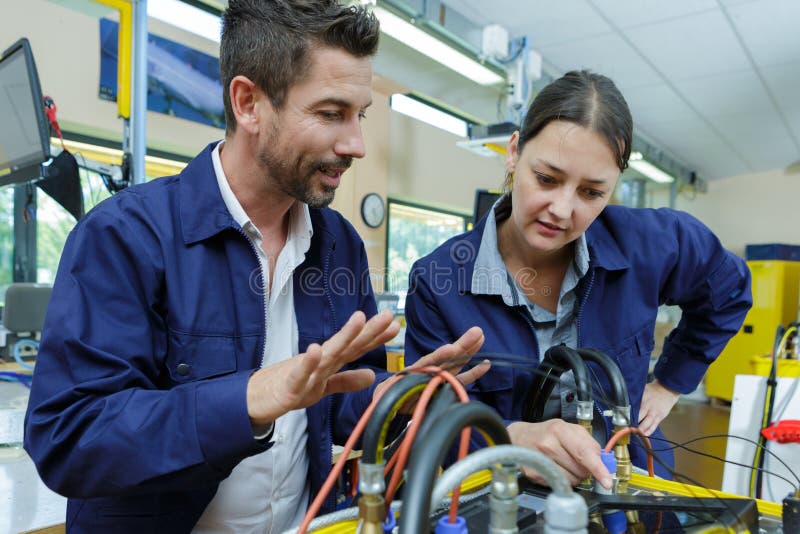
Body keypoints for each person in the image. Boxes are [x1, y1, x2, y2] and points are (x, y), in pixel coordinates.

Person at [23, 1, 486, 532]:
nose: (355, 144)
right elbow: (69, 437)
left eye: (360, 115)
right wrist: (248, 400)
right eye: (331, 113)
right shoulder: (124, 236)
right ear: (248, 103)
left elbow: (329, 402)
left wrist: (387, 399)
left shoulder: (339, 246)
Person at [404, 70, 751, 487]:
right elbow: (433, 416)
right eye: (547, 179)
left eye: (591, 192)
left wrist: (671, 384)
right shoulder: (437, 282)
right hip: (502, 492)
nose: (563, 210)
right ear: (514, 153)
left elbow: (728, 292)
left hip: (626, 479)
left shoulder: (655, 243)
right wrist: (509, 438)